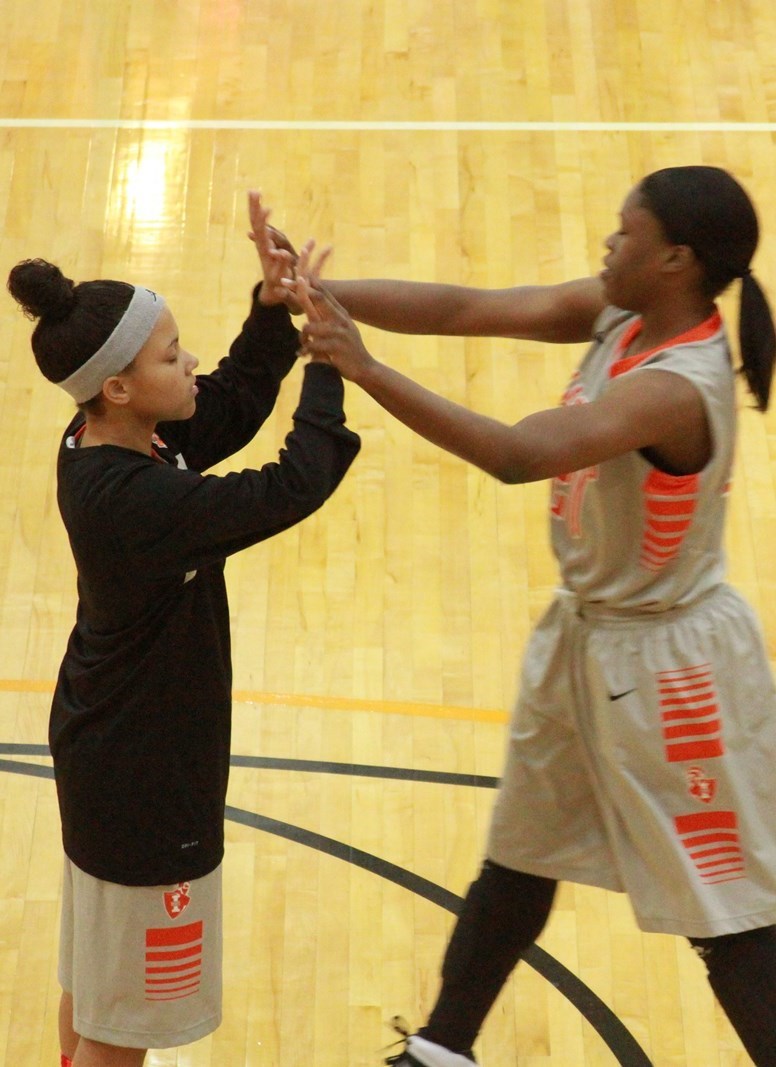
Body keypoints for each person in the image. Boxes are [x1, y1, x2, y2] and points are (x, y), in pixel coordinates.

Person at [287, 166, 776, 1066]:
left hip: (673, 669)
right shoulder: (619, 312)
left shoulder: (678, 384)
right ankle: (443, 1050)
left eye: (624, 234)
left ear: (674, 259)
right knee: (522, 849)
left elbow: (517, 453)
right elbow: (467, 307)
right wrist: (312, 291)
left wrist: (363, 365)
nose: (607, 244)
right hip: (589, 636)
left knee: (730, 914)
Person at [6, 192, 359, 1067]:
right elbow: (288, 486)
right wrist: (328, 365)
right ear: (119, 385)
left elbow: (226, 404)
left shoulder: (110, 438)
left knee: (97, 993)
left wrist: (273, 313)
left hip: (111, 753)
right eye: (173, 354)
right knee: (123, 1031)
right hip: (148, 779)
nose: (189, 359)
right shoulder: (139, 503)